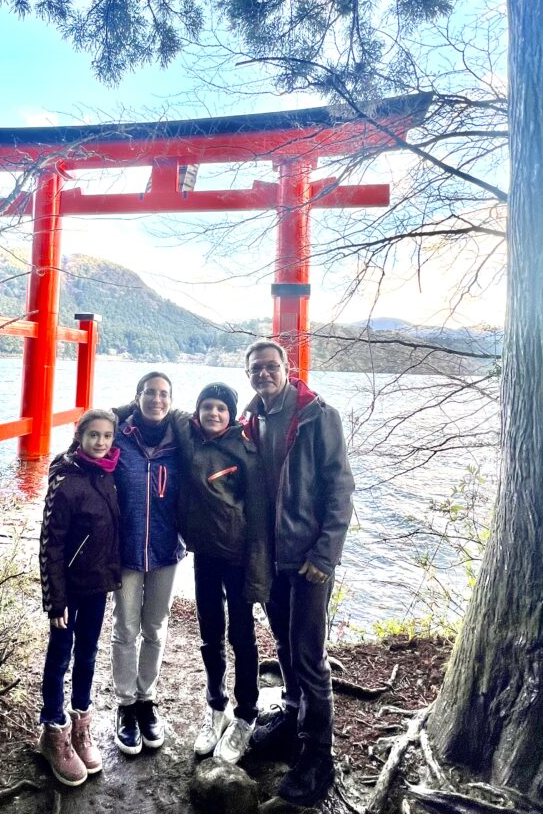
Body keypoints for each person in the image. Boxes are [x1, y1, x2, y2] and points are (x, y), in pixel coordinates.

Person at [243, 339, 355, 808]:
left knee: (309, 656)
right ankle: (292, 719)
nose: (264, 374)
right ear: (248, 374)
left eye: (272, 366)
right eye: (257, 368)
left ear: (288, 369)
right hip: (271, 558)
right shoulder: (251, 420)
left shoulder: (317, 415)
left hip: (309, 559)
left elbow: (341, 488)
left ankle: (318, 757)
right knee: (285, 646)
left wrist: (325, 555)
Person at [176, 382, 271, 764]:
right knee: (209, 633)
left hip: (237, 556)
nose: (213, 413)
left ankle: (246, 715)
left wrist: (259, 565)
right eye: (207, 407)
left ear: (231, 413)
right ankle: (216, 707)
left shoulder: (245, 448)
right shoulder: (188, 436)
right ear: (197, 410)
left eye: (220, 408)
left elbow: (258, 510)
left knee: (242, 635)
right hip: (204, 555)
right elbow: (148, 403)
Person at [38, 408, 121, 786]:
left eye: (107, 435)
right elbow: (50, 543)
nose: (100, 441)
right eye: (93, 435)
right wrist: (55, 600)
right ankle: (53, 729)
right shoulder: (66, 477)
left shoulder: (107, 473)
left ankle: (80, 724)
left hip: (97, 585)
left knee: (87, 653)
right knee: (60, 656)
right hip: (69, 591)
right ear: (79, 436)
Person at [111, 371, 185, 756]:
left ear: (171, 400)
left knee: (155, 628)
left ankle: (146, 699)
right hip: (125, 551)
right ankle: (124, 705)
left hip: (166, 550)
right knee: (125, 628)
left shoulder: (181, 440)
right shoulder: (119, 436)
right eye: (150, 392)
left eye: (164, 393)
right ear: (137, 396)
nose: (157, 399)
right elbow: (83, 454)